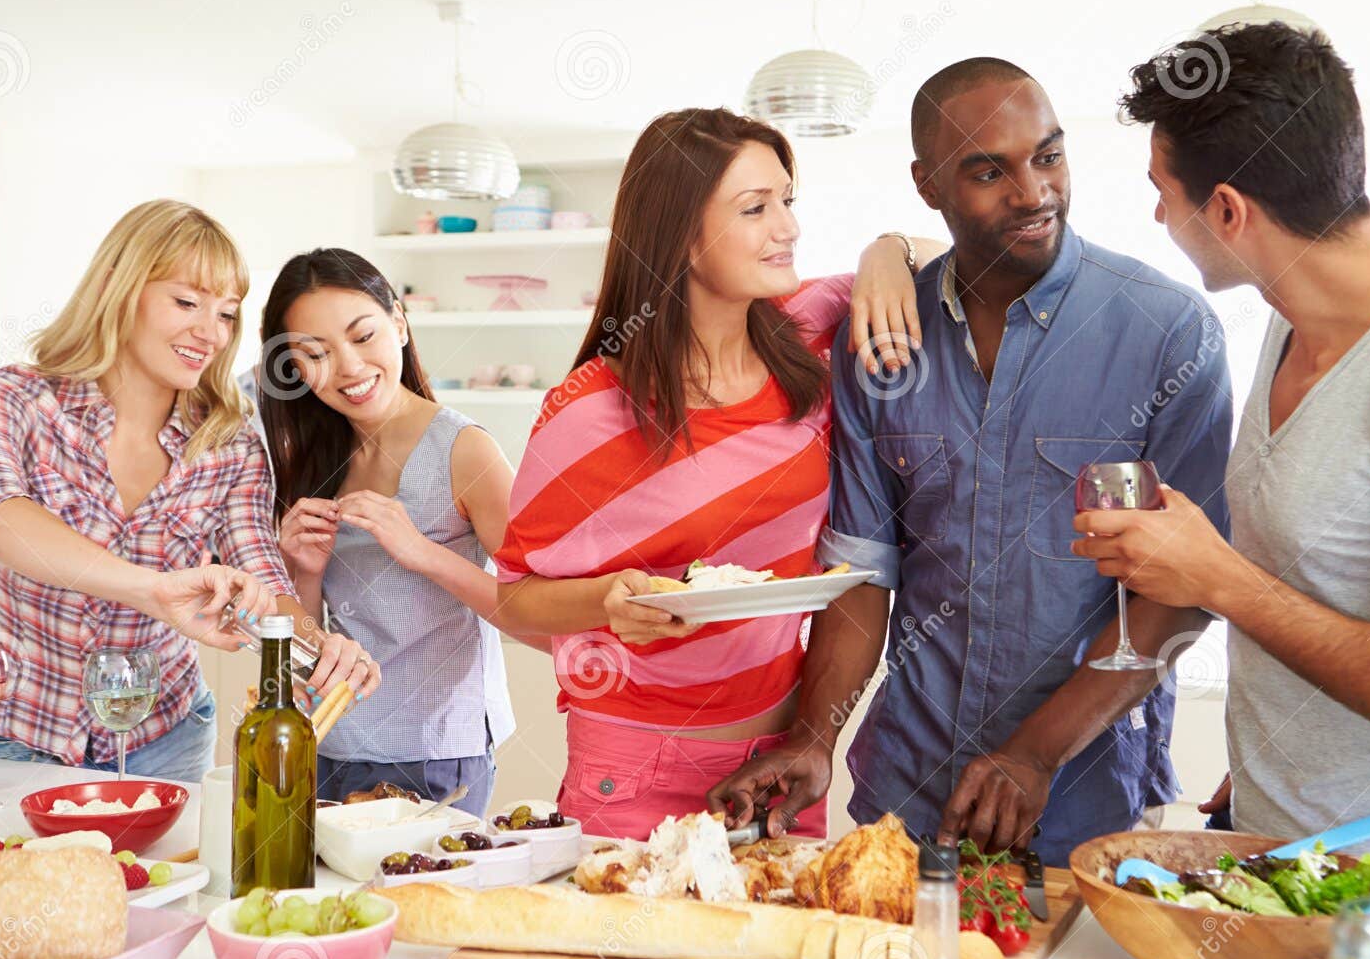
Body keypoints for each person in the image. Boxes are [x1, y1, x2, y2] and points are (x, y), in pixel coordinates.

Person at [1071, 22, 1370, 938]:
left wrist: (1215, 577)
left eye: (1163, 195)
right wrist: (1264, 763)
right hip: (1275, 847)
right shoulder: (1290, 328)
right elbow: (1327, 581)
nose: (1158, 220)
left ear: (1231, 211)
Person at [709, 59, 1234, 868]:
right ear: (928, 185)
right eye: (990, 171)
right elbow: (864, 573)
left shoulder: (1166, 335)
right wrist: (815, 737)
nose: (1034, 192)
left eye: (1049, 156)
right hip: (907, 795)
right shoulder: (882, 344)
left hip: (1085, 802)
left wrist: (1036, 752)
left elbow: (1180, 595)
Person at [493, 106, 933, 840]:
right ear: (682, 236)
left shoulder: (806, 326)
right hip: (637, 766)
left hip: (782, 761)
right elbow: (514, 598)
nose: (787, 226)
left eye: (787, 200)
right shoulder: (588, 410)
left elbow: (945, 257)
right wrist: (607, 599)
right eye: (756, 208)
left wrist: (884, 249)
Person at [0, 200, 379, 782]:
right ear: (119, 290)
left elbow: (264, 582)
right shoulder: (8, 400)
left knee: (165, 877)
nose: (210, 333)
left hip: (166, 742)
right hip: (15, 742)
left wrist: (319, 649)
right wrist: (152, 590)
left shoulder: (229, 442)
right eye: (186, 303)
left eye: (227, 314)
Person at [260, 248, 546, 816]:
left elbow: (539, 616)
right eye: (315, 354)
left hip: (436, 753)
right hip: (329, 741)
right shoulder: (313, 456)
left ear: (399, 323)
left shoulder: (465, 451)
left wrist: (422, 552)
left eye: (363, 336)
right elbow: (309, 637)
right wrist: (305, 574)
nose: (348, 368)